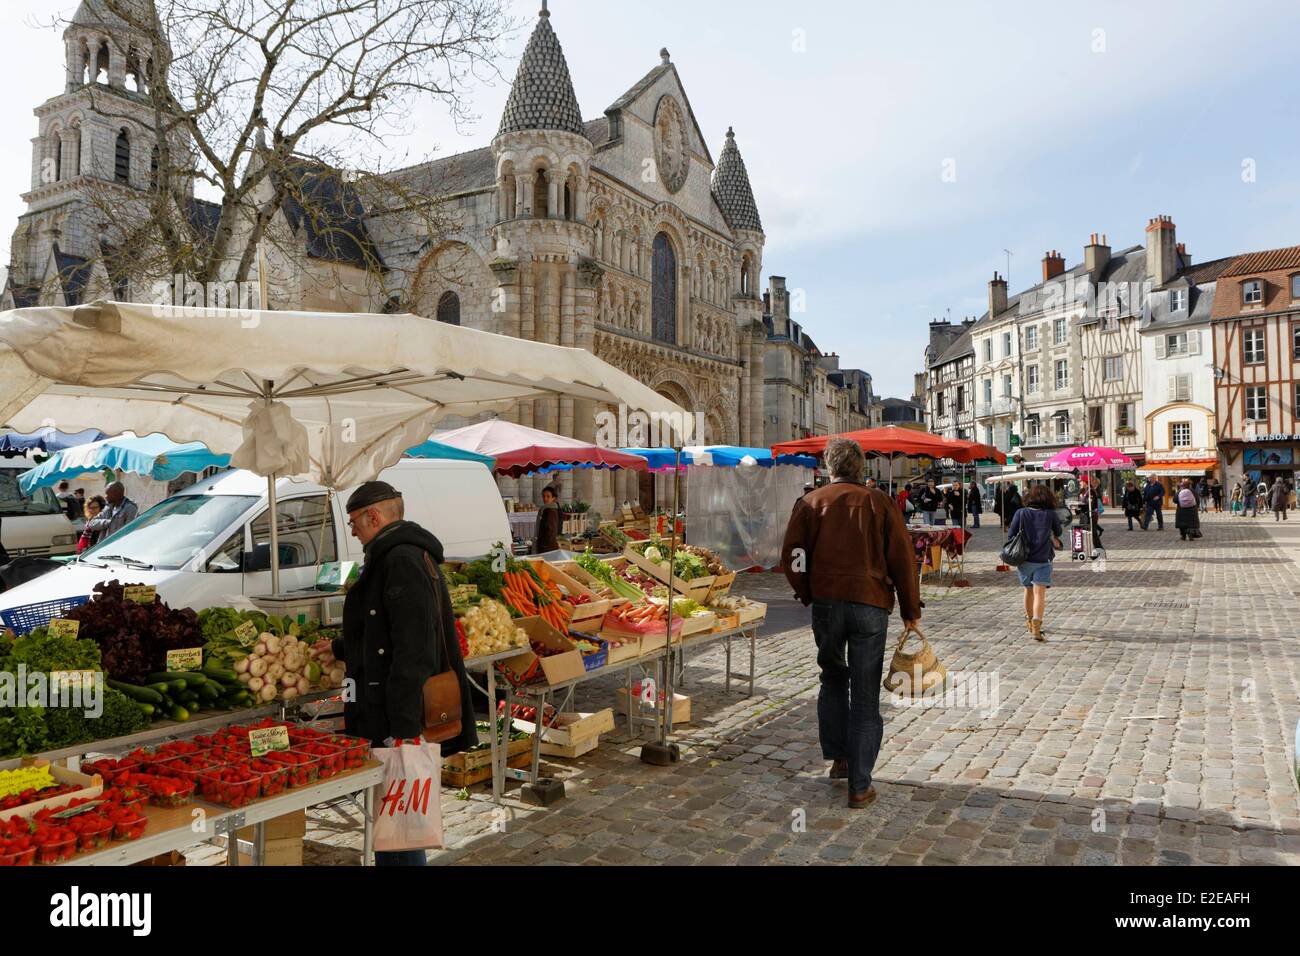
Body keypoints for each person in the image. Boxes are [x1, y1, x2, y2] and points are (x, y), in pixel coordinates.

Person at [321, 481, 477, 866]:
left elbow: (413, 650)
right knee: (395, 820)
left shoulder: (401, 559)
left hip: (398, 715)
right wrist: (341, 649)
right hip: (389, 708)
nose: (353, 530)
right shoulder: (394, 555)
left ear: (373, 516)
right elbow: (385, 631)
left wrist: (405, 730)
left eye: (354, 521)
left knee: (401, 822)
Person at [781, 438, 921, 810]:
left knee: (831, 676)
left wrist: (809, 591)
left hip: (828, 602)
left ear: (830, 466)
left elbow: (792, 555)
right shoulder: (879, 503)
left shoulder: (811, 503)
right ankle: (859, 785)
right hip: (869, 603)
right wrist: (910, 607)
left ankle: (840, 759)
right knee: (863, 692)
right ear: (861, 467)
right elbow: (902, 558)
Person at [1007, 484, 1063, 642]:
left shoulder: (1020, 513)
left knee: (1028, 590)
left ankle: (1030, 622)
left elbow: (1011, 534)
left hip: (1024, 559)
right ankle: (1037, 629)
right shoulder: (1050, 514)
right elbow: (1058, 532)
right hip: (1043, 559)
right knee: (1040, 594)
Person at [534, 484, 562, 553]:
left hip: (547, 547)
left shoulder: (551, 510)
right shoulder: (546, 509)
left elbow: (551, 531)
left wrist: (544, 546)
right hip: (547, 546)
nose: (545, 499)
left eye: (548, 496)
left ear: (553, 498)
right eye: (543, 496)